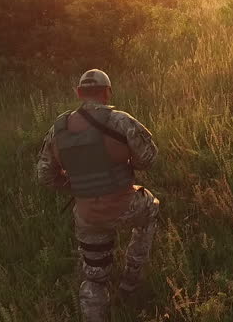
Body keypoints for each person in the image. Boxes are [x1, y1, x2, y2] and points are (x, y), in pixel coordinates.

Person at [36, 69, 159, 322]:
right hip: (125, 206)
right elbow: (148, 158)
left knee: (94, 275)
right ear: (107, 92)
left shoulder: (58, 129)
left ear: (79, 93)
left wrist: (76, 185)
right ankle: (131, 280)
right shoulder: (120, 121)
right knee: (151, 208)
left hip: (87, 215)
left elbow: (45, 175)